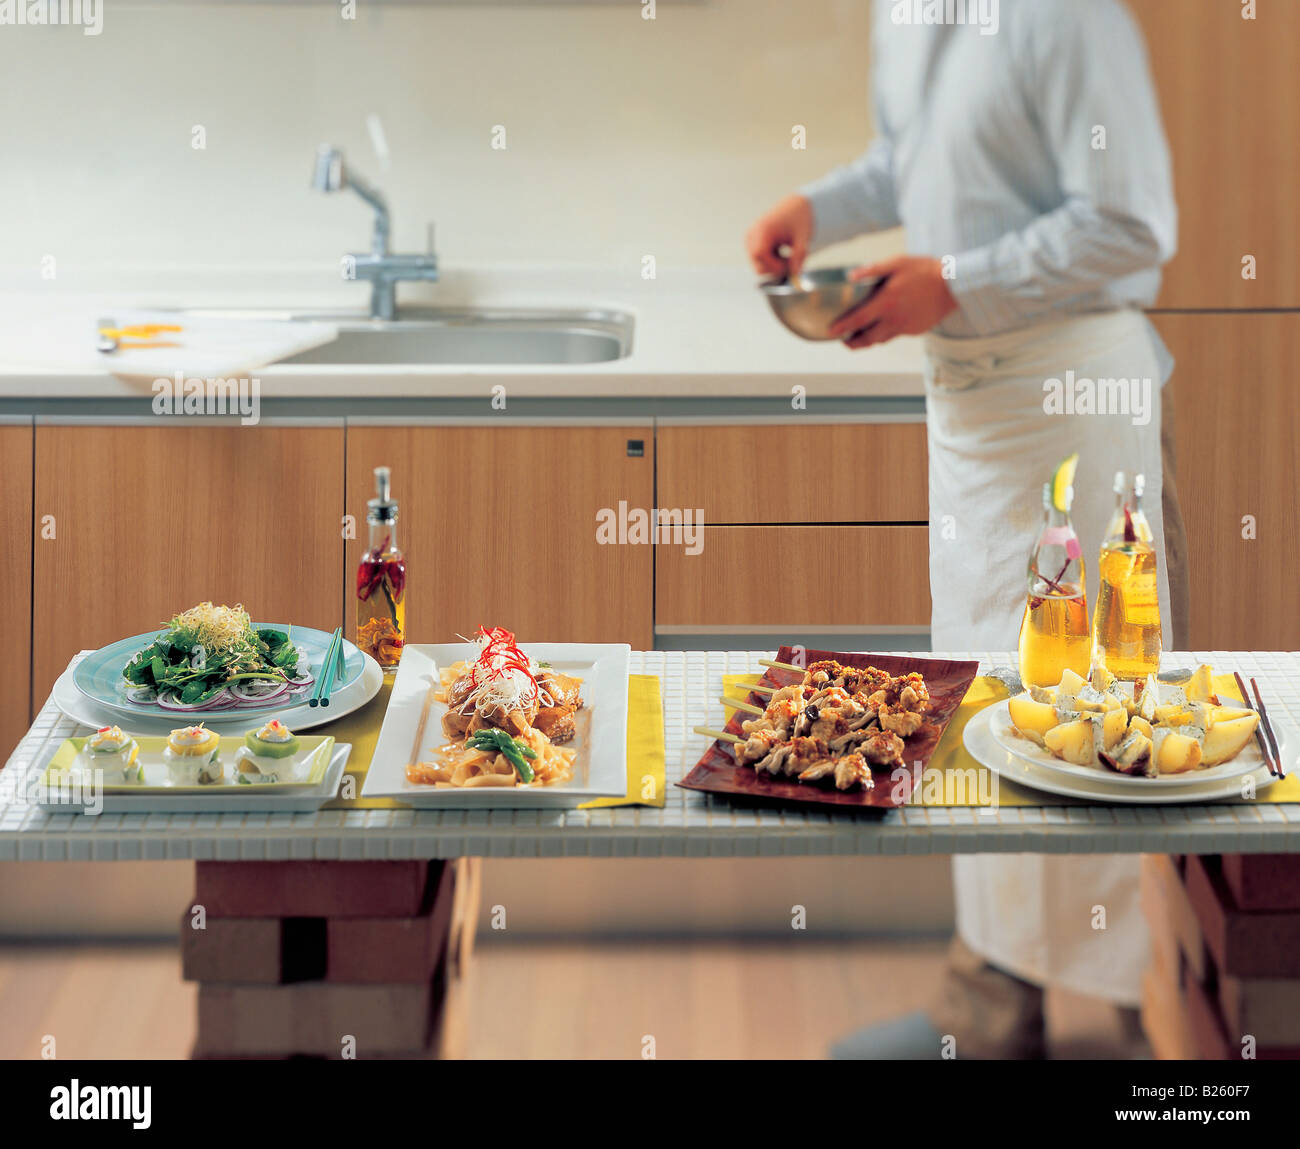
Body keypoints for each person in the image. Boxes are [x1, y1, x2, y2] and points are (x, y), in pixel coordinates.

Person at [746, 0, 1188, 1059]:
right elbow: (913, 160)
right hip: (976, 404)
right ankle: (990, 1008)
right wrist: (821, 201)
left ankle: (1160, 1032)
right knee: (984, 697)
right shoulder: (907, 10)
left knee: (1097, 712)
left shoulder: (1071, 18)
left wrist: (952, 280)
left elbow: (1132, 222)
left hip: (1069, 389)